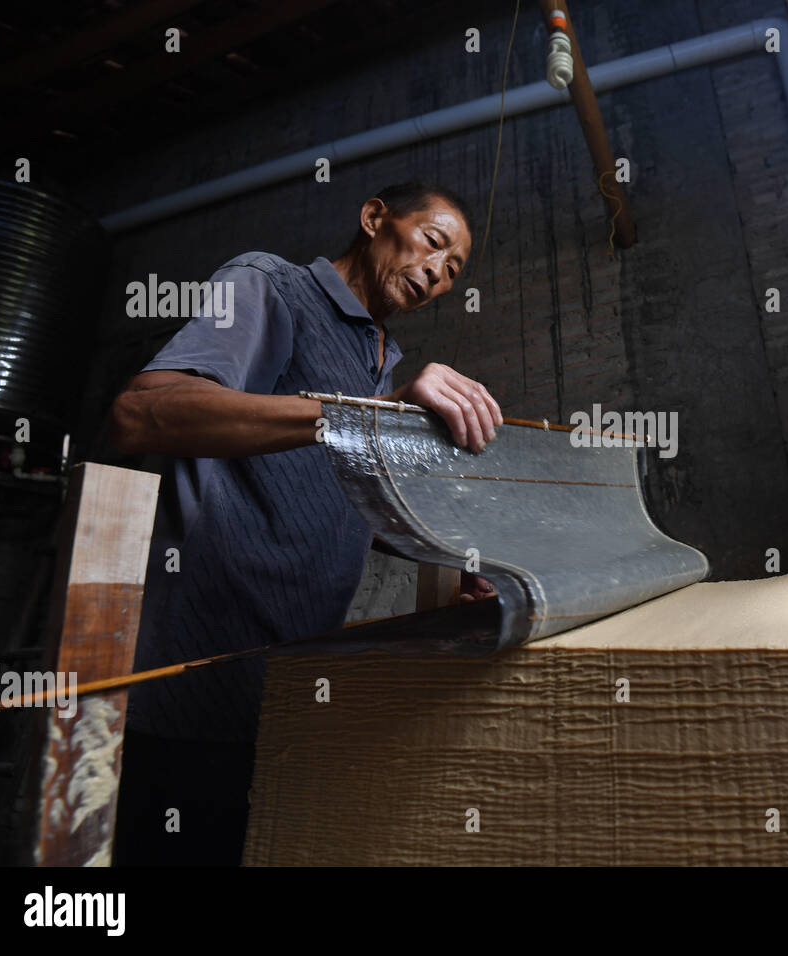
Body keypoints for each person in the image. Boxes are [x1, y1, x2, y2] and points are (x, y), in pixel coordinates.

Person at [109, 181, 500, 865]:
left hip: (283, 693)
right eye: (434, 244)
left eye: (454, 270)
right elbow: (143, 412)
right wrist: (361, 418)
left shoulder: (378, 367)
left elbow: (326, 498)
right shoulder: (271, 287)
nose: (438, 273)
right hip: (183, 679)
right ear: (375, 218)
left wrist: (450, 563)